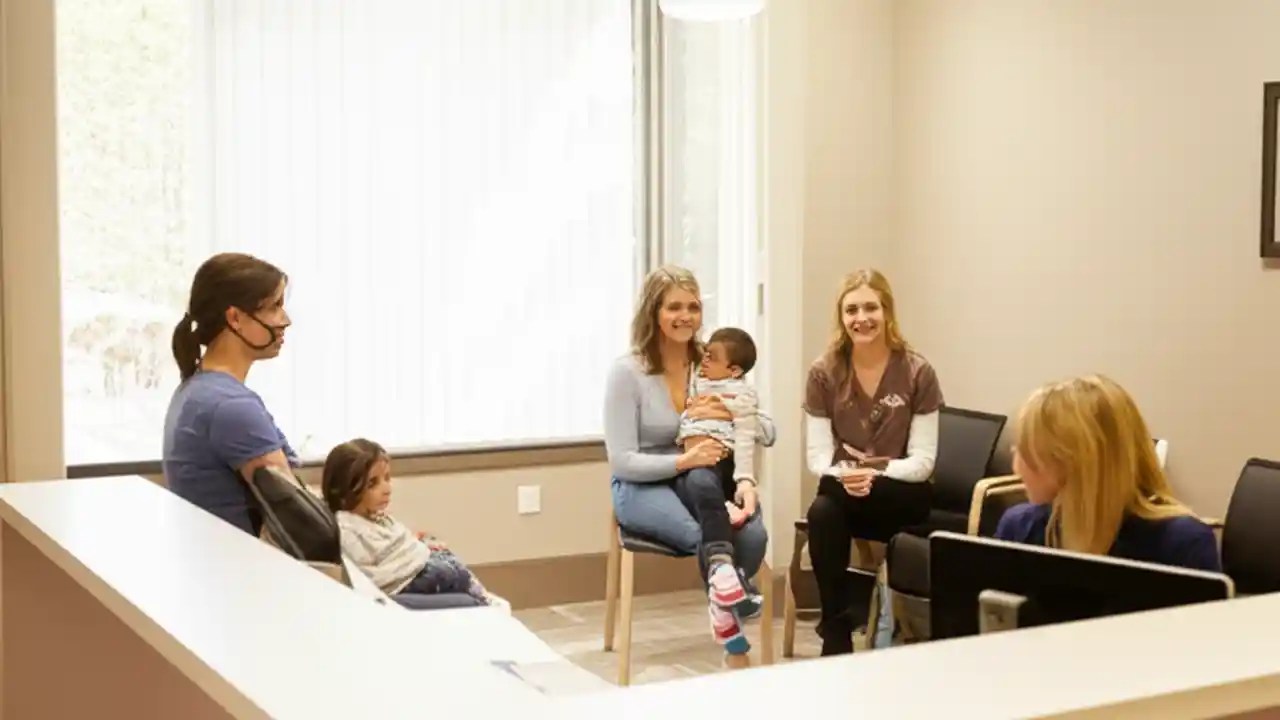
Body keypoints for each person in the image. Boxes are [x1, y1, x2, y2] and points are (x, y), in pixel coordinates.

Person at [603, 266, 775, 664]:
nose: (686, 316)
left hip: (703, 478)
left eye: (693, 306)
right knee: (708, 535)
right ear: (653, 312)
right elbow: (622, 460)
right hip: (642, 484)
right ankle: (733, 641)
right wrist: (686, 458)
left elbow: (764, 426)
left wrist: (731, 418)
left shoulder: (712, 362)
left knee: (751, 537)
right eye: (674, 307)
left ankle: (723, 609)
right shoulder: (626, 373)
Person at [803, 269, 943, 656]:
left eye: (870, 307)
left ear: (887, 312)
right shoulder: (824, 372)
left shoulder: (918, 371)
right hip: (845, 492)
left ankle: (836, 629)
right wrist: (850, 475)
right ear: (841, 317)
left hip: (901, 496)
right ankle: (836, 631)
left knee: (829, 499)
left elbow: (923, 462)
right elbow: (817, 457)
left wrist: (872, 472)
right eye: (851, 310)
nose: (861, 318)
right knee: (824, 511)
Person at [995, 375, 1220, 572]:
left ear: (1072, 463)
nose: (1016, 466)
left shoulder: (1182, 543)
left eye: (1027, 451)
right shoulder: (1018, 527)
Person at [162, 252, 299, 536]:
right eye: (274, 307)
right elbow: (298, 520)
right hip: (245, 572)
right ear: (235, 318)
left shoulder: (196, 390)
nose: (285, 320)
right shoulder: (230, 406)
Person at [322, 438, 501, 607]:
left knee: (446, 557)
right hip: (403, 583)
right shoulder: (348, 529)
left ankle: (483, 599)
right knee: (453, 572)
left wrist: (415, 543)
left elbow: (390, 545)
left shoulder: (372, 517)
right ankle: (483, 602)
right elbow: (375, 573)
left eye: (387, 478)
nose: (387, 489)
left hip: (414, 570)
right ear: (345, 493)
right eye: (372, 484)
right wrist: (414, 553)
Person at [676, 327, 759, 529]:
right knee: (696, 483)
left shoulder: (741, 394)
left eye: (711, 358)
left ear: (735, 370)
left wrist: (745, 479)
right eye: (705, 354)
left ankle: (726, 511)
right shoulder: (699, 380)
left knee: (704, 481)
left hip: (717, 455)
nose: (704, 361)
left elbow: (746, 435)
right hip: (689, 454)